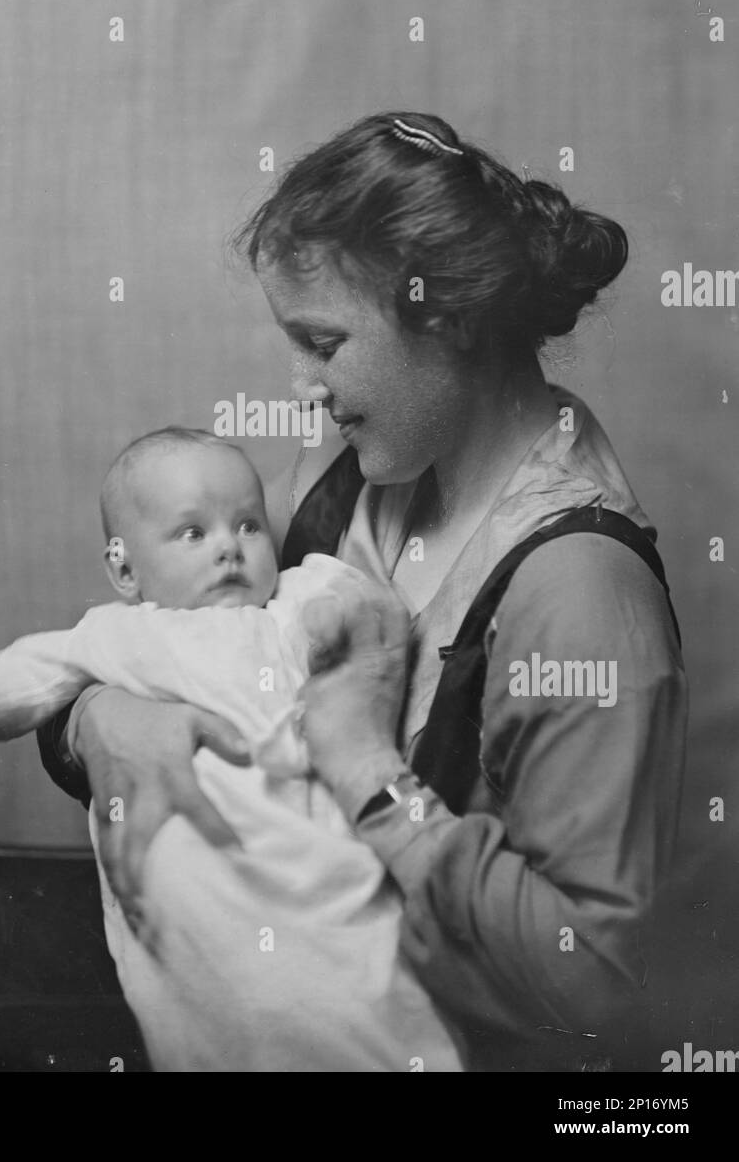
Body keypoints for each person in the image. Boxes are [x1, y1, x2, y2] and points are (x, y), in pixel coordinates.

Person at [37, 111, 688, 1072]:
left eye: (324, 343)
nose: (302, 384)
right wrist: (97, 719)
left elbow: (593, 981)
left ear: (452, 318)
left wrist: (368, 776)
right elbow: (174, 656)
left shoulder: (581, 594)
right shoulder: (339, 484)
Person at [0, 426, 463, 1072]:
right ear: (124, 568)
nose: (230, 547)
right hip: (196, 902)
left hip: (311, 870)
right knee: (217, 1023)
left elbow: (365, 608)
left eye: (249, 526)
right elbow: (26, 675)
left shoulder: (288, 607)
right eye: (193, 534)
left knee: (365, 994)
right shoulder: (115, 634)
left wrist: (342, 622)